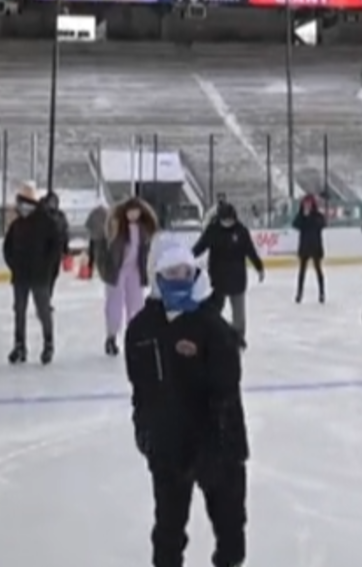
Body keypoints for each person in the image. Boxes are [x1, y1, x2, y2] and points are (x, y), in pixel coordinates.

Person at [126, 239, 249, 567]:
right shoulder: (141, 329)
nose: (179, 278)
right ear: (158, 276)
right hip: (168, 445)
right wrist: (143, 426)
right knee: (168, 528)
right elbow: (139, 387)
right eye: (170, 272)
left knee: (230, 526)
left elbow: (227, 386)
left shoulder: (213, 327)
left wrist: (221, 439)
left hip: (218, 444)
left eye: (185, 271)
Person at [3, 184, 62, 365]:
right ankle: (19, 345)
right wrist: (14, 266)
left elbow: (56, 248)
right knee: (19, 311)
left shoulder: (45, 222)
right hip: (20, 276)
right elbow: (7, 248)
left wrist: (47, 269)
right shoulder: (17, 225)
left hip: (39, 276)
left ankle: (48, 344)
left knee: (43, 310)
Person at [94, 197, 157, 357]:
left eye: (136, 212)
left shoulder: (143, 230)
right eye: (130, 212)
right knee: (114, 304)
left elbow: (146, 251)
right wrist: (103, 266)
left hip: (134, 270)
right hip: (116, 270)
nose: (133, 215)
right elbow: (103, 245)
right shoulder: (116, 227)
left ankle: (135, 335)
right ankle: (111, 336)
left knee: (136, 304)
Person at [192, 202, 264, 341]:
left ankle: (238, 340)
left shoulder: (241, 231)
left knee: (239, 317)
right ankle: (212, 337)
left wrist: (259, 267)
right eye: (225, 220)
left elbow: (250, 251)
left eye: (230, 219)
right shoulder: (213, 230)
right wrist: (187, 257)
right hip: (218, 279)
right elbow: (200, 246)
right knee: (214, 312)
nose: (228, 222)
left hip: (237, 279)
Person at [292, 194, 326, 304]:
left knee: (318, 270)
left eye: (309, 204)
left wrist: (310, 217)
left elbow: (322, 224)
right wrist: (302, 216)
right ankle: (299, 293)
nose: (307, 206)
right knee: (302, 272)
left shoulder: (317, 216)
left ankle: (321, 293)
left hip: (315, 246)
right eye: (305, 204)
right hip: (304, 247)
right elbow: (295, 224)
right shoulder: (301, 216)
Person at [41, 191, 71, 296]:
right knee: (46, 275)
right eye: (51, 201)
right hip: (45, 250)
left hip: (57, 250)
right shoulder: (43, 215)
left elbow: (65, 232)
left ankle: (48, 296)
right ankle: (44, 298)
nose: (53, 204)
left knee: (54, 274)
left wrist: (66, 249)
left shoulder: (60, 216)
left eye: (55, 201)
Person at [85, 203, 109, 275]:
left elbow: (87, 225)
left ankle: (89, 271)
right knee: (103, 255)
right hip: (103, 237)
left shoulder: (93, 214)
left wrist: (93, 230)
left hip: (94, 237)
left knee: (91, 255)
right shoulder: (107, 213)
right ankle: (104, 271)